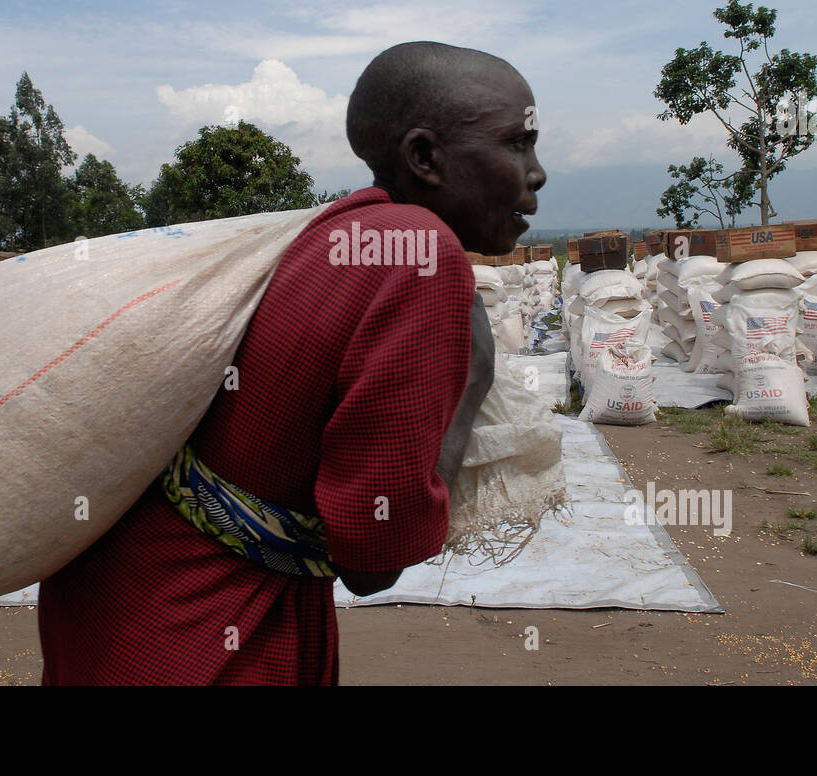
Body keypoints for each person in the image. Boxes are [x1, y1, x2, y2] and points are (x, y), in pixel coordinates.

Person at [37, 40, 546, 684]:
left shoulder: (333, 231)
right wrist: (474, 383)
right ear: (424, 157)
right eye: (516, 144)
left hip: (124, 594)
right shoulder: (423, 257)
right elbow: (371, 555)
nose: (537, 172)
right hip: (212, 632)